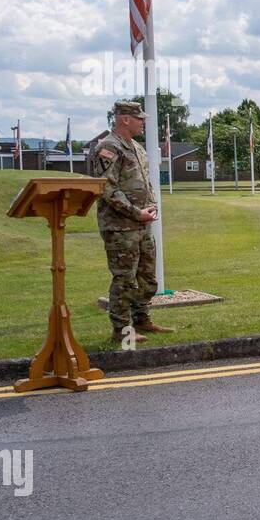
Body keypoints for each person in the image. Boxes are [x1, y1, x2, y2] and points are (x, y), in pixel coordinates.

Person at [93, 100, 174, 344]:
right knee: (125, 278)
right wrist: (135, 212)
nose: (143, 121)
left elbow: (144, 182)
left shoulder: (137, 148)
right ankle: (121, 329)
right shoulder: (108, 147)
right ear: (124, 119)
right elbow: (106, 188)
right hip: (120, 226)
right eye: (139, 118)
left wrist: (150, 207)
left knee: (147, 277)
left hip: (142, 223)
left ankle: (141, 319)